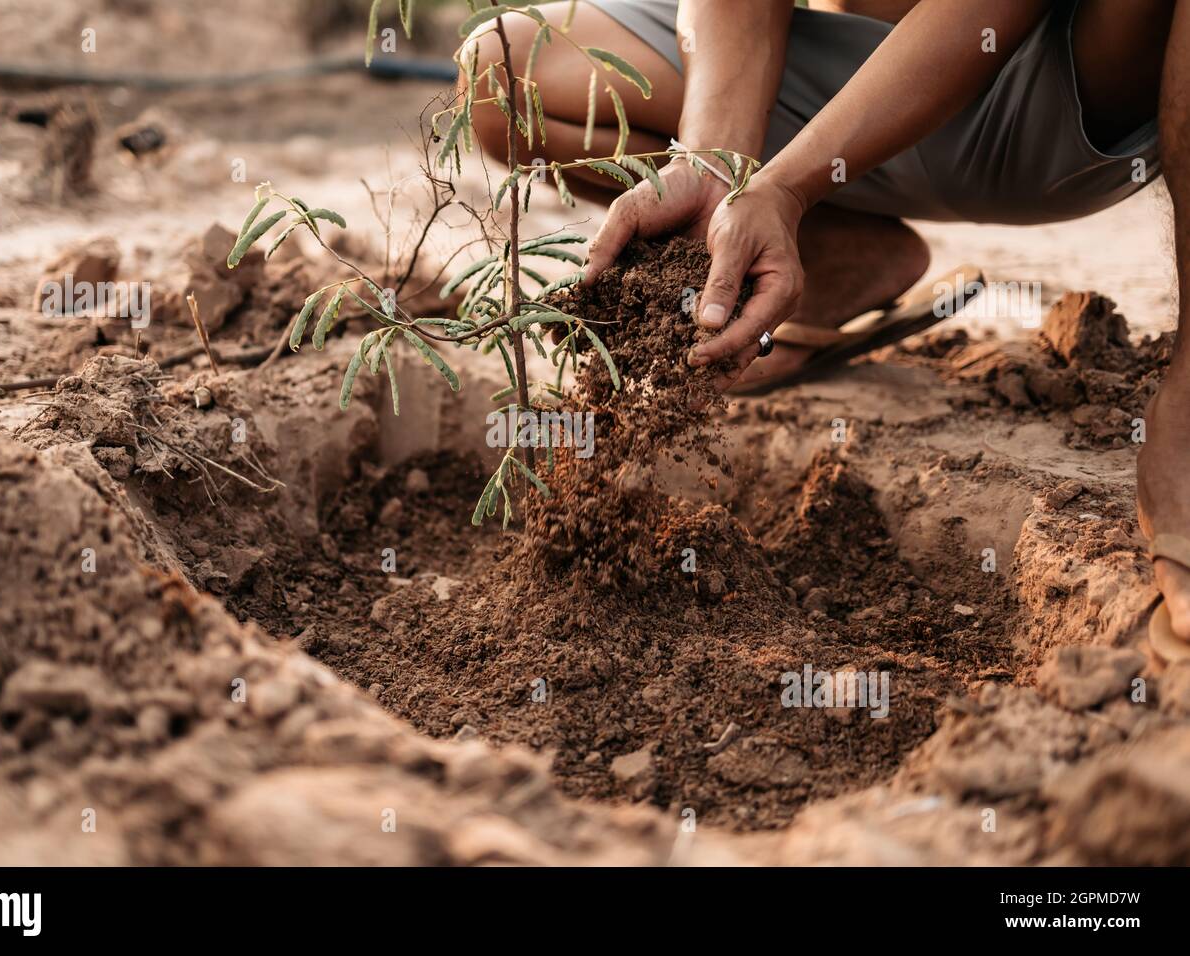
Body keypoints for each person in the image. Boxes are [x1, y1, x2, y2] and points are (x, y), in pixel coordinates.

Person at [463, 0, 1190, 654]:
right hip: (842, 83)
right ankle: (835, 256)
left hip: (1060, 98)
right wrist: (717, 161)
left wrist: (785, 183)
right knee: (501, 71)